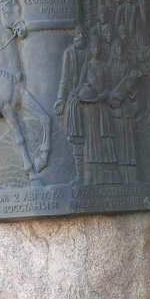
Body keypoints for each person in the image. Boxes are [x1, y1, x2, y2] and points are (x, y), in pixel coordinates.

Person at [73, 38, 118, 184]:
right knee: (91, 139)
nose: (96, 50)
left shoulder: (105, 67)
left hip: (102, 107)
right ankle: (90, 174)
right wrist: (76, 95)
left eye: (98, 47)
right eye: (94, 47)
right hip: (89, 108)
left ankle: (107, 175)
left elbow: (109, 88)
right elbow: (80, 85)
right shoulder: (86, 67)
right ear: (90, 50)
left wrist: (103, 95)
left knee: (104, 138)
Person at [55, 26, 89, 184]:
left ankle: (91, 175)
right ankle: (80, 175)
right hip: (75, 102)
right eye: (78, 34)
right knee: (76, 139)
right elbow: (65, 79)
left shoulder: (89, 53)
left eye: (82, 34)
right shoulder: (69, 53)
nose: (80, 36)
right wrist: (61, 99)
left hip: (91, 101)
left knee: (91, 139)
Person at [108, 34, 141, 183]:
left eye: (121, 46)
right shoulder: (109, 67)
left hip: (127, 109)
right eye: (117, 47)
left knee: (129, 141)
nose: (119, 49)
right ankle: (119, 176)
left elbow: (133, 87)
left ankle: (132, 176)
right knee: (118, 142)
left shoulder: (128, 66)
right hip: (115, 109)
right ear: (113, 49)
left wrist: (132, 92)